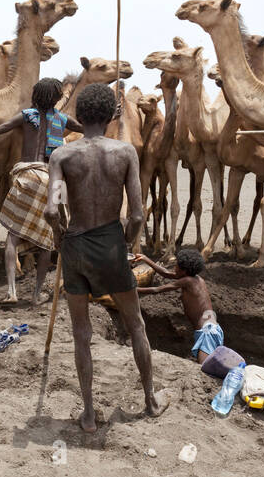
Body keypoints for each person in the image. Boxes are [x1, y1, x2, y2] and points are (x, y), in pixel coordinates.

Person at [44, 83, 172, 432]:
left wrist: (60, 239)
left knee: (81, 333)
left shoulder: (62, 156)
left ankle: (88, 414)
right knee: (135, 325)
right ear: (113, 115)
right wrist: (128, 245)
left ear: (80, 117)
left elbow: (52, 210)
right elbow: (136, 216)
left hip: (76, 246)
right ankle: (149, 399)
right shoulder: (125, 152)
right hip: (111, 244)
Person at [0, 78, 87, 304]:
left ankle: (11, 292)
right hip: (52, 179)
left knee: (12, 235)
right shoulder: (62, 119)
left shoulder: (26, 116)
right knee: (47, 240)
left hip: (27, 176)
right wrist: (111, 117)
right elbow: (89, 129)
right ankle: (37, 294)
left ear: (35, 95)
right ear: (58, 98)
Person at [133, 248, 222, 363]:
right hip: (212, 329)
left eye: (176, 266)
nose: (174, 268)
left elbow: (157, 289)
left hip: (207, 333)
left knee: (204, 369)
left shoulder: (187, 281)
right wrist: (146, 259)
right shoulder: (196, 279)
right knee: (208, 367)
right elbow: (166, 273)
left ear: (184, 271)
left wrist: (133, 290)